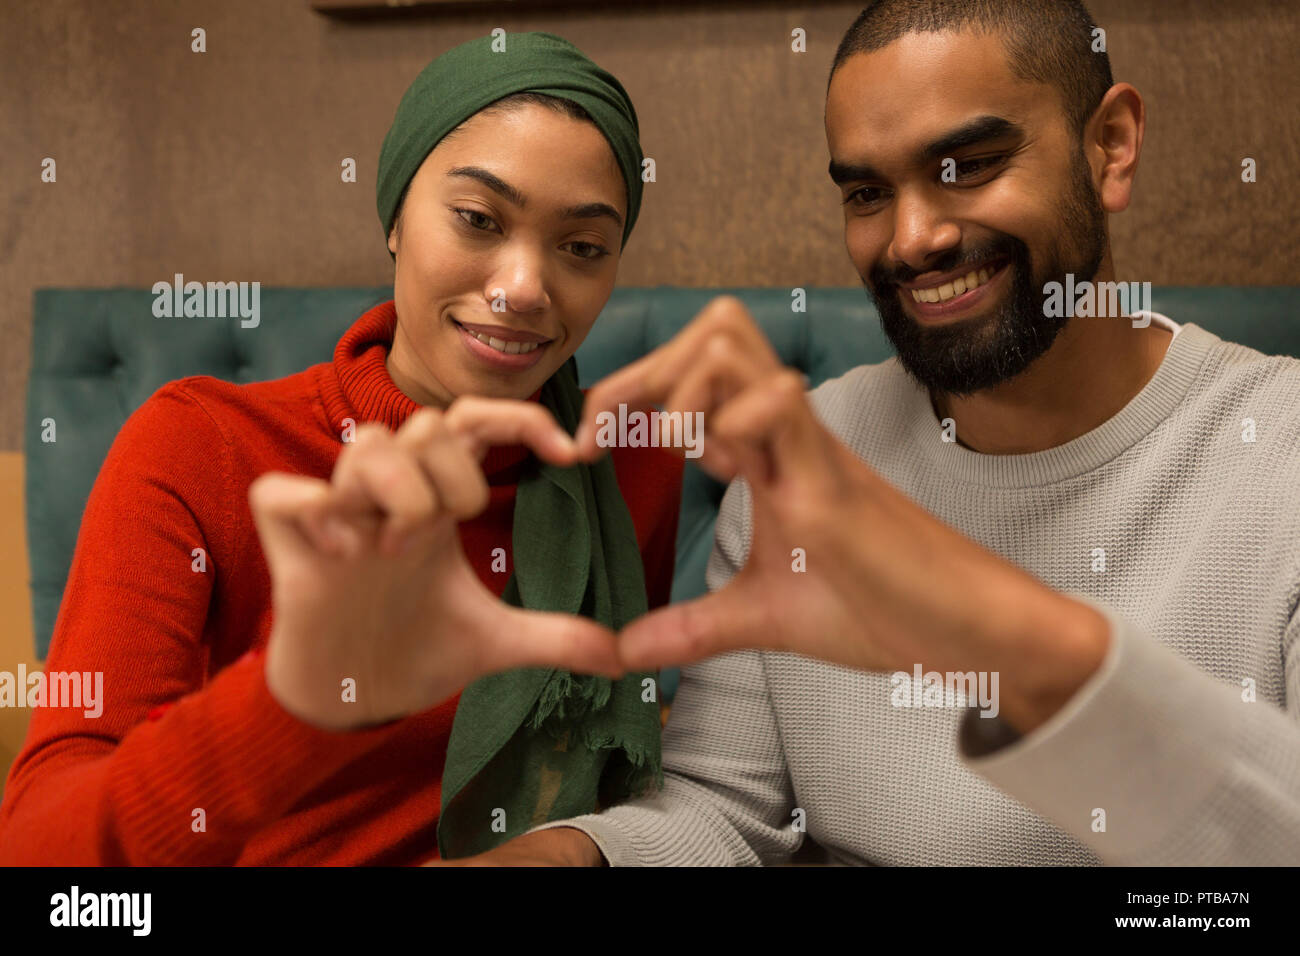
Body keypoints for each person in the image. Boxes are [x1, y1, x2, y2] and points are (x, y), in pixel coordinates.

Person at [456, 0, 1300, 866]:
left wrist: (996, 633)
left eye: (968, 165)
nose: (912, 239)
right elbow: (726, 806)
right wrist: (561, 858)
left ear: (1111, 145)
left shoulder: (1279, 453)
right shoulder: (807, 454)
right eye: (867, 192)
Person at [0, 32, 682, 865]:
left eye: (582, 247)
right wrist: (292, 706)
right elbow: (42, 856)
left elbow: (660, 770)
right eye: (477, 220)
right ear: (395, 217)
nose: (523, 288)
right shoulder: (197, 447)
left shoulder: (628, 469)